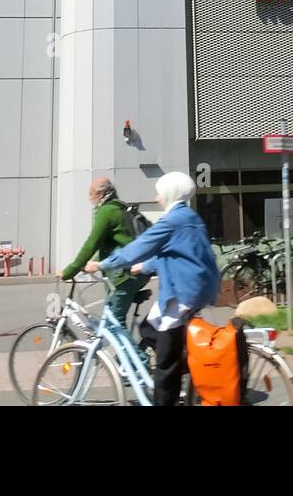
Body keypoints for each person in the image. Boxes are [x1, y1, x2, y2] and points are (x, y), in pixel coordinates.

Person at [86, 171, 220, 406]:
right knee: (149, 328)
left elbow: (139, 247)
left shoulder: (172, 220)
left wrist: (103, 263)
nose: (157, 198)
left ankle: (185, 372)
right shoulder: (189, 216)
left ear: (170, 194)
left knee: (166, 365)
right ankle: (187, 362)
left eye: (159, 192)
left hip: (183, 292)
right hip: (198, 287)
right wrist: (145, 267)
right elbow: (181, 253)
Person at [61, 177, 148, 327]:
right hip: (135, 272)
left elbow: (91, 243)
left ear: (101, 194)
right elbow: (110, 243)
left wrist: (69, 271)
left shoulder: (107, 211)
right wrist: (93, 262)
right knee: (112, 323)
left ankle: (135, 352)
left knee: (113, 326)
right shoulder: (121, 208)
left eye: (91, 194)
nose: (90, 198)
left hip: (124, 274)